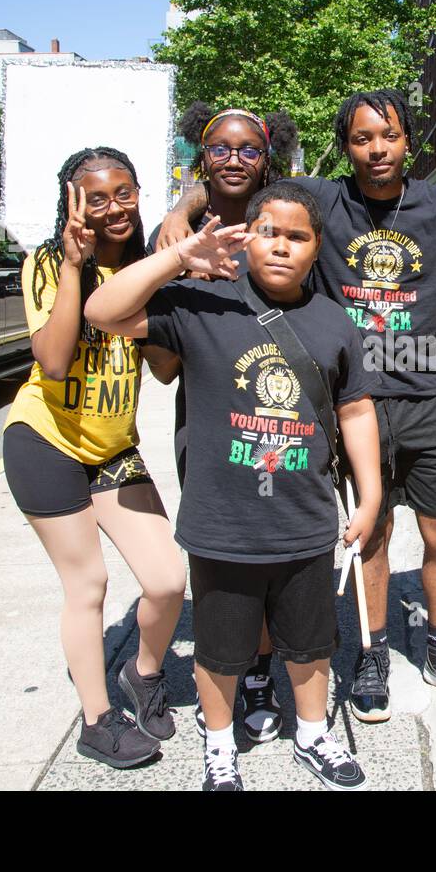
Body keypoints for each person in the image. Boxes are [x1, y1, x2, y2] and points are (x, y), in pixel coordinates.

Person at [159, 90, 436, 722]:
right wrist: (186, 200)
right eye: (363, 138)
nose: (377, 149)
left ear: (408, 142)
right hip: (353, 403)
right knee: (372, 531)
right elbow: (248, 179)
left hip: (427, 401)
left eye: (388, 136)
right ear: (347, 146)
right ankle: (373, 650)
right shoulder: (324, 200)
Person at [86, 181, 383, 791]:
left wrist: (372, 494)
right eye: (267, 232)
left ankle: (312, 734)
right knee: (220, 652)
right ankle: (219, 747)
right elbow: (102, 312)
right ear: (245, 237)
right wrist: (178, 257)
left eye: (297, 236)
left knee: (310, 645)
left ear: (317, 247)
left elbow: (355, 411)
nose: (280, 247)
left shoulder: (334, 323)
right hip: (223, 524)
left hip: (304, 522)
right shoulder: (201, 304)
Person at [2, 147, 196, 768]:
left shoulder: (145, 269)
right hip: (45, 441)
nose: (114, 207)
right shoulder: (48, 264)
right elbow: (54, 362)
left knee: (167, 579)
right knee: (88, 584)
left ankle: (141, 674)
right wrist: (73, 267)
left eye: (125, 192)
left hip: (113, 450)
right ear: (73, 202)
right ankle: (97, 718)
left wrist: (182, 286)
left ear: (141, 193)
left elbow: (165, 369)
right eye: (96, 196)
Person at [145, 103, 299, 746]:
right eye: (221, 149)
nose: (235, 159)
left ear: (269, 158)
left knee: (275, 557)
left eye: (249, 150)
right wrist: (183, 254)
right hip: (209, 429)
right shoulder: (178, 238)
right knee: (222, 564)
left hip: (286, 426)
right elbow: (161, 368)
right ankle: (226, 675)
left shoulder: (289, 222)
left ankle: (261, 674)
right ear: (202, 156)